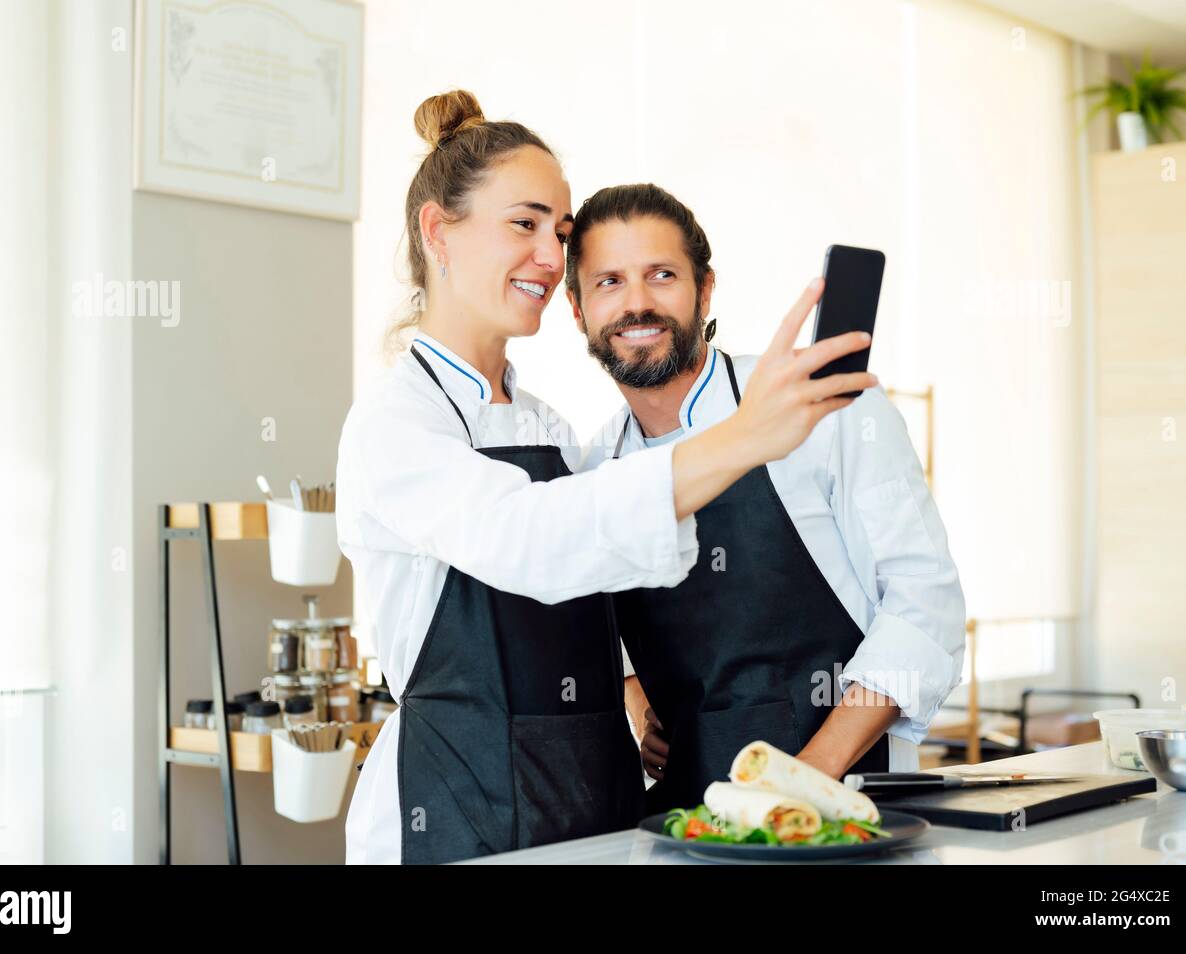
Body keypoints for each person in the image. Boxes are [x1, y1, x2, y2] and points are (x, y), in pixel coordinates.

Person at [335, 92, 877, 864]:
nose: (553, 260)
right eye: (524, 225)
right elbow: (529, 539)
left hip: (594, 806)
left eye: (559, 232)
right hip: (455, 809)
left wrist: (629, 687)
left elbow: (598, 581)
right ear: (438, 231)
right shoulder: (397, 424)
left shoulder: (548, 428)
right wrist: (743, 437)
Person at [567, 183, 966, 813]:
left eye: (662, 274)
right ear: (577, 307)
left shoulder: (823, 405)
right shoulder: (593, 471)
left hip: (846, 809)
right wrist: (640, 702)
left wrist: (809, 777)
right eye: (609, 281)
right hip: (688, 823)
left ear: (704, 289)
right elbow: (602, 636)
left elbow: (925, 607)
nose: (636, 303)